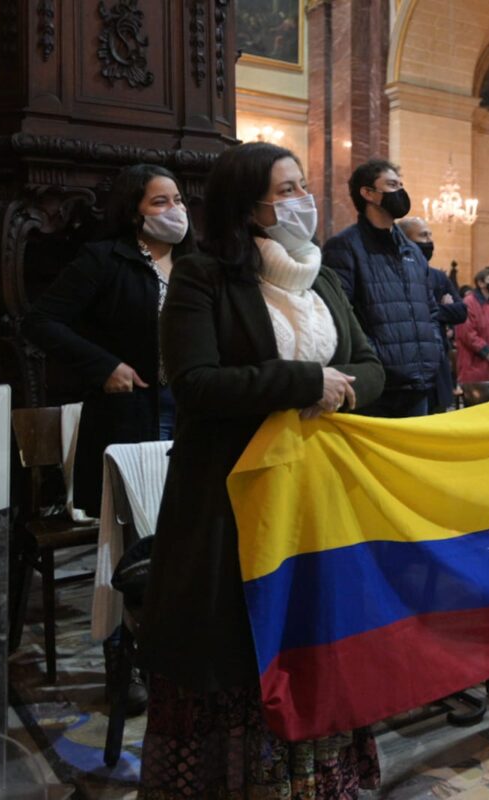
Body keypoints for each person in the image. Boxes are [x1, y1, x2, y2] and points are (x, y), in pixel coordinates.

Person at [139, 143, 386, 798]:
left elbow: (372, 365)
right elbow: (195, 383)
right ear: (248, 204)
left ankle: (315, 784)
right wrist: (304, 382)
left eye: (303, 185)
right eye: (286, 190)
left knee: (313, 634)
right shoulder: (202, 277)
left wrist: (340, 389)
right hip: (229, 498)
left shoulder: (321, 277)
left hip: (316, 496)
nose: (304, 199)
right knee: (242, 647)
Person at [23, 164, 194, 516]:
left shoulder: (196, 264)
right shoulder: (104, 259)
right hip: (133, 408)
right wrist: (104, 366)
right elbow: (40, 322)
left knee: (189, 517)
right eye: (160, 202)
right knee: (140, 519)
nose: (175, 210)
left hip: (192, 407)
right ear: (133, 213)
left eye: (178, 200)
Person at [323, 159, 441, 417]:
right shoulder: (344, 247)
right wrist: (375, 358)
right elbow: (340, 315)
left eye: (401, 185)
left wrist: (434, 348)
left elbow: (430, 310)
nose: (400, 192)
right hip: (377, 386)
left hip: (419, 381)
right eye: (391, 185)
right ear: (368, 193)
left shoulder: (413, 251)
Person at [398, 216, 467, 413]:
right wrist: (440, 308)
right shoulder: (395, 273)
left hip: (438, 361)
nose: (429, 240)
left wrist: (428, 311)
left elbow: (461, 312)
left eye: (430, 235)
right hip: (408, 364)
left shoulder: (438, 276)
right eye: (423, 235)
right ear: (406, 240)